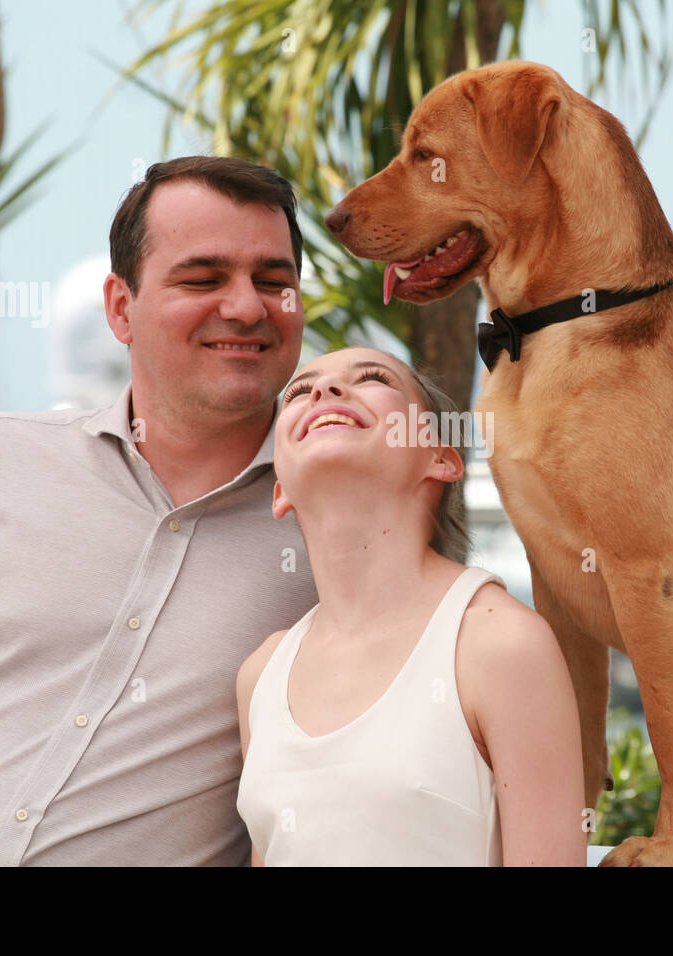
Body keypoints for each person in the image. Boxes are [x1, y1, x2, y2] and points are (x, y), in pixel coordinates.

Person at [0, 156, 319, 865]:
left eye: (274, 282)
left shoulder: (339, 528)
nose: (247, 307)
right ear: (120, 308)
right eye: (203, 278)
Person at [236, 346, 587, 865]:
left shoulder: (500, 644)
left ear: (441, 458)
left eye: (373, 378)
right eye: (298, 391)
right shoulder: (260, 674)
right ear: (280, 489)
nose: (323, 391)